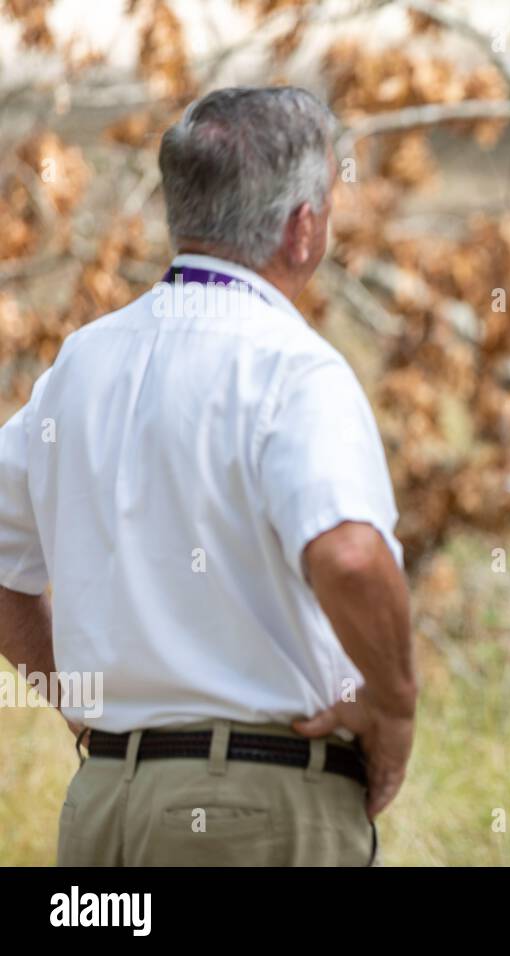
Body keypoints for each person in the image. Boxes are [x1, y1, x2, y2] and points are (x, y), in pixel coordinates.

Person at [0, 86, 415, 866]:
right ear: (302, 229)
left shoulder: (80, 365)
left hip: (103, 806)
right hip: (257, 809)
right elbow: (353, 557)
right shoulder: (294, 369)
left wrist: (82, 705)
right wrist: (393, 708)